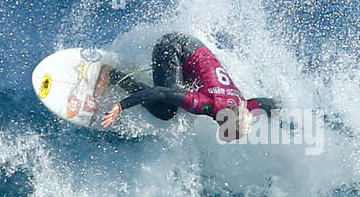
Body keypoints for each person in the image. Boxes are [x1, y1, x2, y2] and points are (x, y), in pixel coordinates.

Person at [99, 33, 276, 140]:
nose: (229, 138)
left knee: (176, 94)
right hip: (171, 46)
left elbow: (270, 104)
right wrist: (120, 106)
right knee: (166, 111)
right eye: (230, 133)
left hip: (193, 46)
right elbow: (160, 92)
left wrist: (287, 120)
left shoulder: (245, 106)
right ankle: (113, 75)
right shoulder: (206, 104)